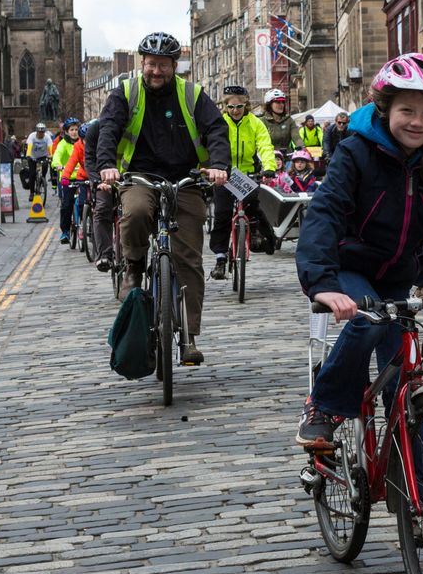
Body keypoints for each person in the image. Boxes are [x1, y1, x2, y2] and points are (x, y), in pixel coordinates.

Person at [294, 53, 423, 450]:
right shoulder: (355, 153)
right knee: (369, 322)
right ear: (385, 108)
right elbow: (324, 214)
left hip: (398, 277)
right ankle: (323, 405)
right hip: (351, 266)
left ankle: (422, 488)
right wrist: (322, 283)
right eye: (406, 110)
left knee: (404, 390)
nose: (417, 122)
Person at [94, 31, 230, 363]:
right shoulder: (126, 93)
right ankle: (134, 266)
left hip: (185, 179)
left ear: (174, 66)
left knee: (189, 257)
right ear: (142, 63)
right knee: (136, 212)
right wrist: (107, 165)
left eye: (163, 65)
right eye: (151, 64)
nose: (156, 71)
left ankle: (189, 336)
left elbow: (216, 129)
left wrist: (218, 165)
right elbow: (108, 128)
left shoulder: (192, 94)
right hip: (139, 176)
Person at [209, 85, 278, 281]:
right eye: (230, 107)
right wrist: (208, 168)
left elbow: (265, 146)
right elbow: (210, 145)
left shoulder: (255, 123)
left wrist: (269, 167)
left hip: (248, 173)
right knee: (222, 214)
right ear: (225, 107)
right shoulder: (219, 122)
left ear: (246, 105)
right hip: (224, 174)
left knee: (252, 205)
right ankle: (220, 258)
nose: (235, 111)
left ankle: (257, 233)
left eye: (239, 106)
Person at [51, 118, 86, 244]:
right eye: (71, 130)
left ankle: (84, 224)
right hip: (67, 178)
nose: (74, 132)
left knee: (85, 202)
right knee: (66, 205)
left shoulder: (83, 142)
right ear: (66, 132)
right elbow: (57, 157)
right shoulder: (63, 144)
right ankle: (65, 231)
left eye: (76, 129)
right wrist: (58, 165)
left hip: (82, 177)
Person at [259, 90, 298, 156]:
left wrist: (301, 147)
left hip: (287, 155)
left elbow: (296, 137)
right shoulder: (262, 121)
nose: (281, 105)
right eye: (277, 102)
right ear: (269, 104)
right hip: (269, 156)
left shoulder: (289, 120)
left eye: (282, 102)